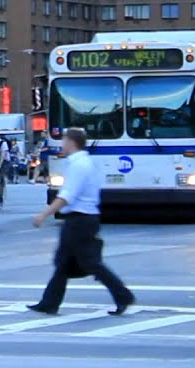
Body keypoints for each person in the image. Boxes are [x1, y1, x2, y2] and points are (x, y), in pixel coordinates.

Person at [29, 127, 135, 316]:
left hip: (80, 220)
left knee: (91, 263)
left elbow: (67, 196)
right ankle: (49, 302)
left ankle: (123, 295)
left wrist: (43, 214)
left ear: (71, 142)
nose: (62, 143)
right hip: (84, 218)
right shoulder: (86, 162)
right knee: (63, 262)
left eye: (64, 140)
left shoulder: (79, 165)